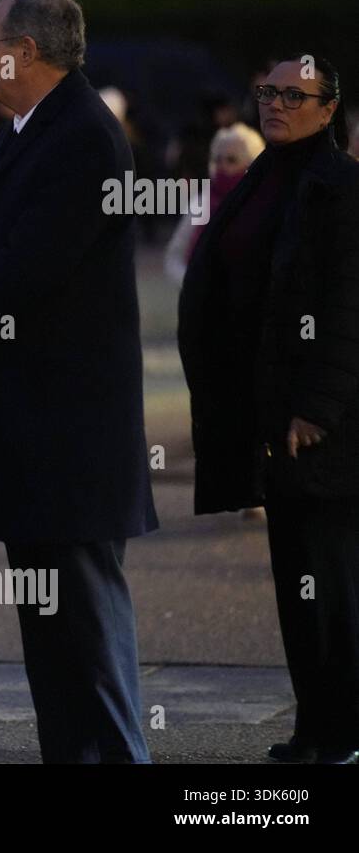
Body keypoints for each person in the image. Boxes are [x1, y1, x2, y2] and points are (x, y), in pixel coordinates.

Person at [0, 0, 157, 763]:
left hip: (71, 434)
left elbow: (28, 267)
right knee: (51, 636)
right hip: (32, 429)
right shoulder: (25, 132)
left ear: (25, 52)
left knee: (87, 631)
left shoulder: (83, 136)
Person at [179, 55, 359, 765]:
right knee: (296, 581)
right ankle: (315, 730)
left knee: (333, 582)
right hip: (267, 417)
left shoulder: (340, 188)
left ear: (327, 107)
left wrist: (317, 406)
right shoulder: (264, 177)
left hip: (325, 427)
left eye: (294, 95)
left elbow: (349, 308)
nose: (276, 104)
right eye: (268, 92)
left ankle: (343, 733)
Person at [163, 122, 265, 283]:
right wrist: (193, 284)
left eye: (231, 160)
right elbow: (174, 256)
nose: (222, 166)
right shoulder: (203, 201)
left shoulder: (264, 203)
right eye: (218, 159)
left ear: (250, 164)